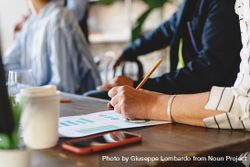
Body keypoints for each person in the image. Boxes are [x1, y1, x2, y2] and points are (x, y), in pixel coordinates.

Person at [88, 0, 242, 99]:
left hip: (213, 99)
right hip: (193, 92)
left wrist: (139, 85)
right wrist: (128, 51)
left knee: (100, 97)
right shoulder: (191, 4)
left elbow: (209, 69)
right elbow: (168, 29)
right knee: (96, 97)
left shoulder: (224, 4)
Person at [4, 0, 101, 94]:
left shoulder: (59, 20)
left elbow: (64, 88)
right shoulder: (30, 23)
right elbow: (8, 65)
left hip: (81, 107)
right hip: (46, 105)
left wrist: (25, 90)